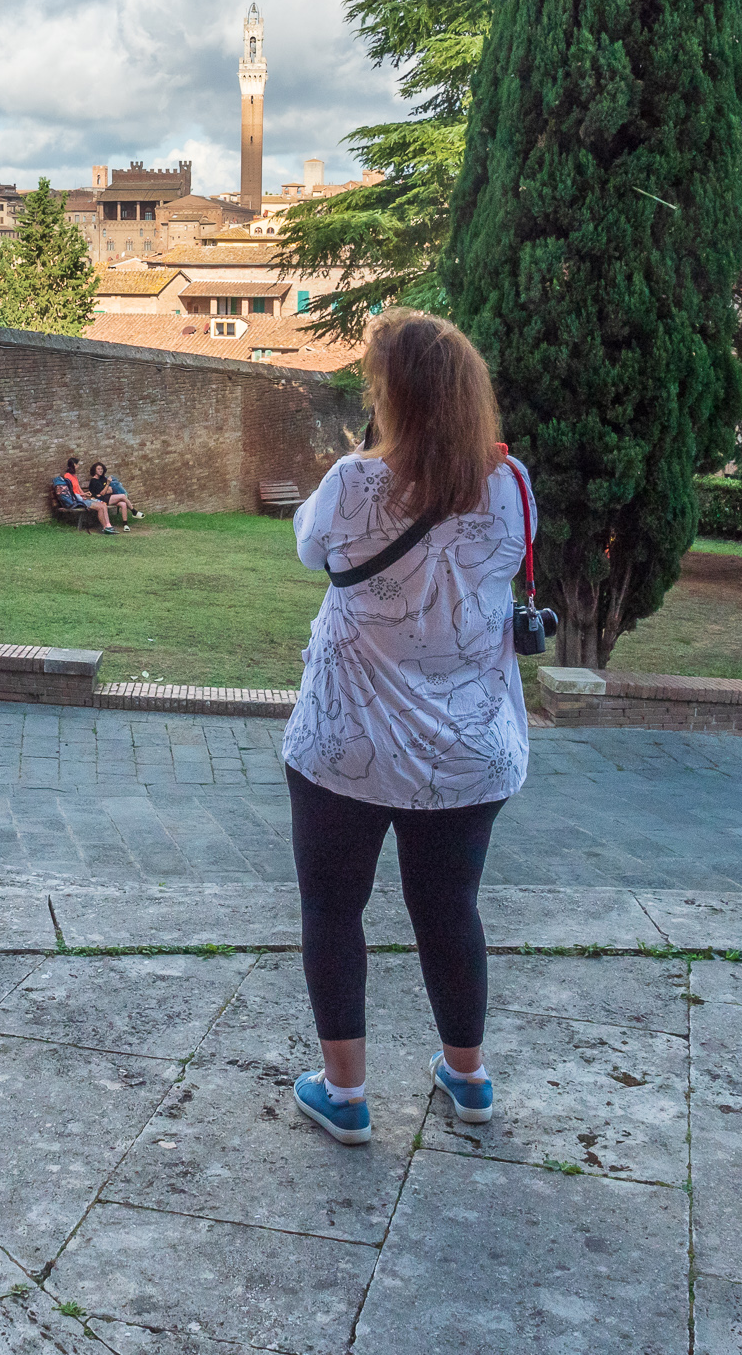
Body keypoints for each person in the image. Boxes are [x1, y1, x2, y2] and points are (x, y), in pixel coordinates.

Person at [279, 310, 531, 1146]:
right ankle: (468, 1078)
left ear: (395, 395)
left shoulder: (355, 482)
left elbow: (310, 549)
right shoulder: (512, 483)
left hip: (346, 744)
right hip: (468, 748)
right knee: (449, 907)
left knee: (333, 906)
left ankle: (345, 1094)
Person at [59, 455, 119, 534]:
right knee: (100, 507)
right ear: (74, 465)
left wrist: (84, 493)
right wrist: (81, 495)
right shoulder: (67, 476)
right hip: (78, 501)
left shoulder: (74, 476)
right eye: (77, 464)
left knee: (103, 505)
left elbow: (78, 488)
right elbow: (70, 491)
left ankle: (108, 526)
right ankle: (105, 528)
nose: (78, 466)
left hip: (82, 498)